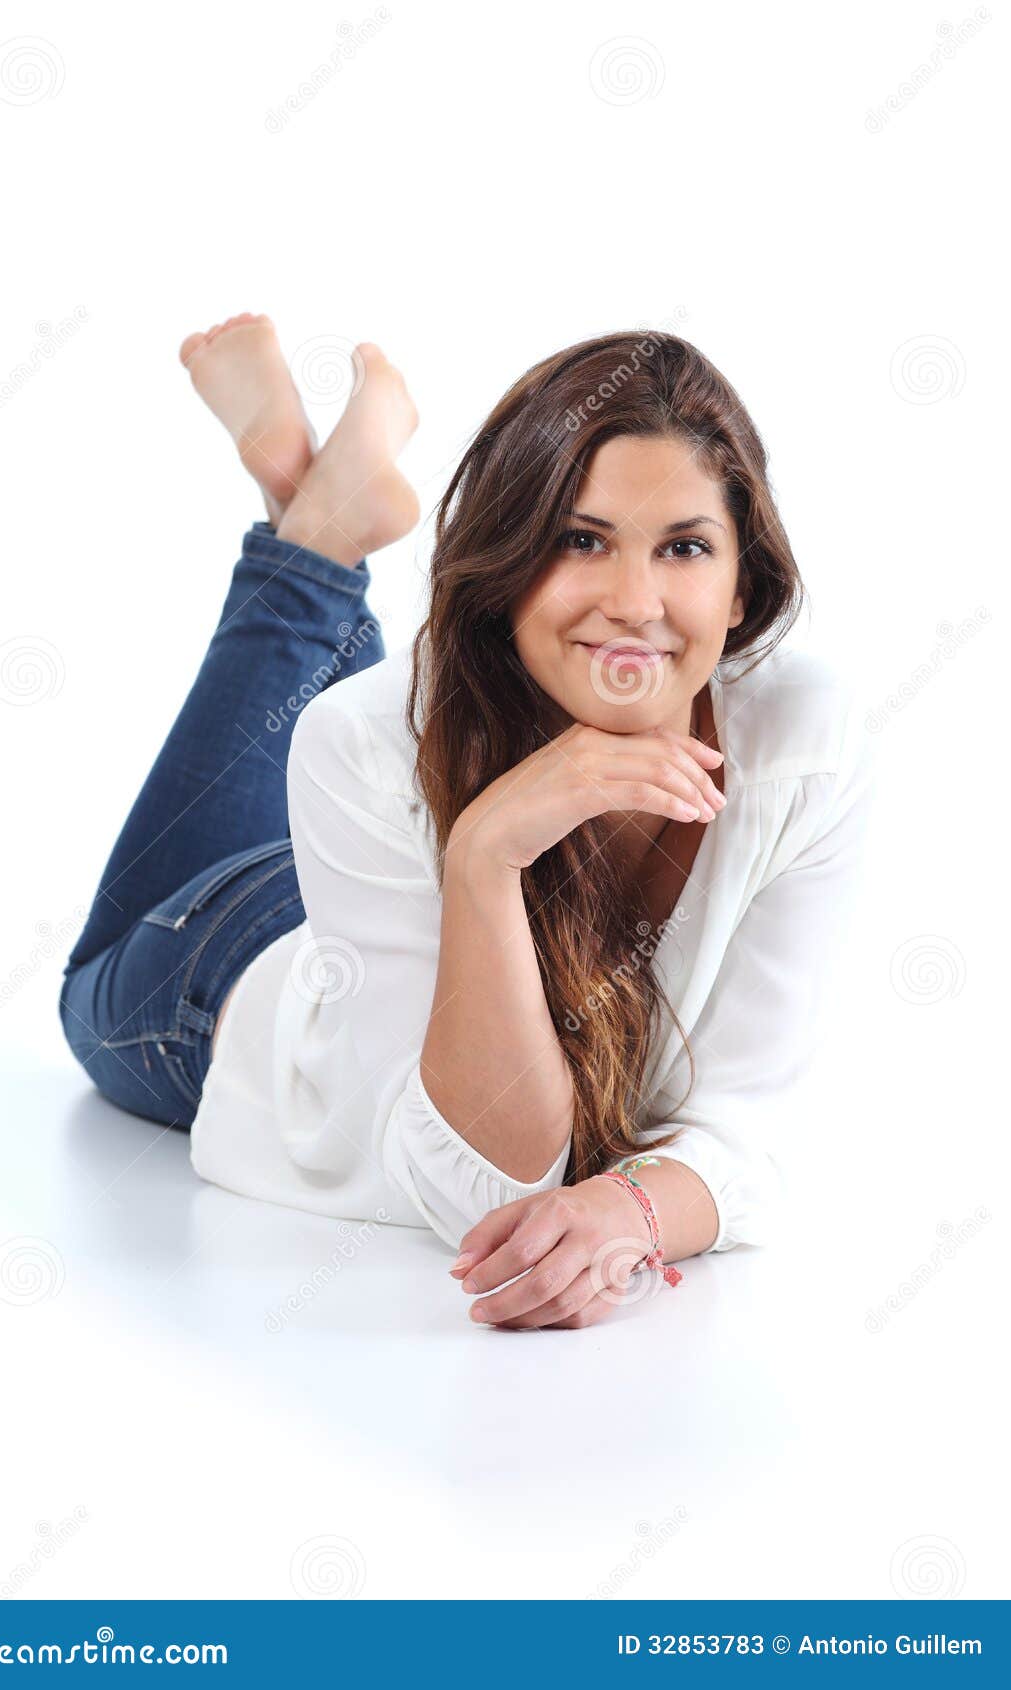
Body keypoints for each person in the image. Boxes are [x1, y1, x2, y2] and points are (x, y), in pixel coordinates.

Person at [59, 315, 875, 1329]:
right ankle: (311, 541)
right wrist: (485, 851)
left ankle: (319, 515)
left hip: (365, 869)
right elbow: (481, 1191)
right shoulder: (363, 743)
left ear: (741, 583)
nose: (633, 601)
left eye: (683, 547)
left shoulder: (805, 738)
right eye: (582, 540)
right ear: (509, 566)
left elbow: (758, 1123)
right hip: (232, 971)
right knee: (85, 985)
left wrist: (629, 1208)